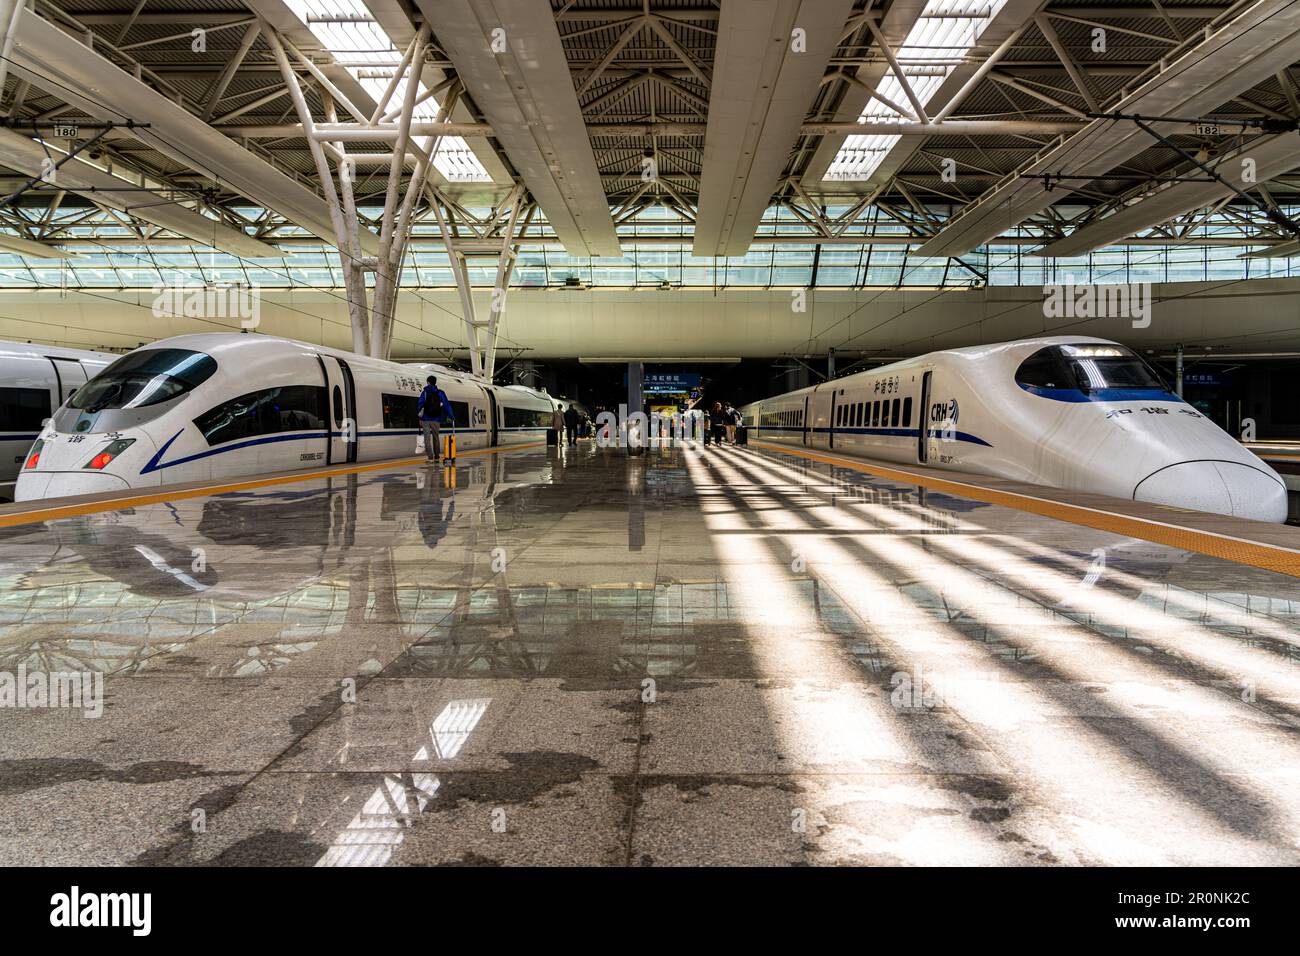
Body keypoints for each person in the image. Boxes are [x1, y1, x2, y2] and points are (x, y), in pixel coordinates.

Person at [417, 375, 454, 463]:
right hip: (436, 418)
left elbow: (420, 404)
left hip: (426, 418)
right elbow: (446, 405)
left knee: (427, 438)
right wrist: (451, 415)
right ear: (435, 382)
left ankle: (430, 457)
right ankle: (437, 456)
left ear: (428, 382)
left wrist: (419, 416)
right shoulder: (440, 393)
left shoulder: (424, 393)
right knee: (435, 437)